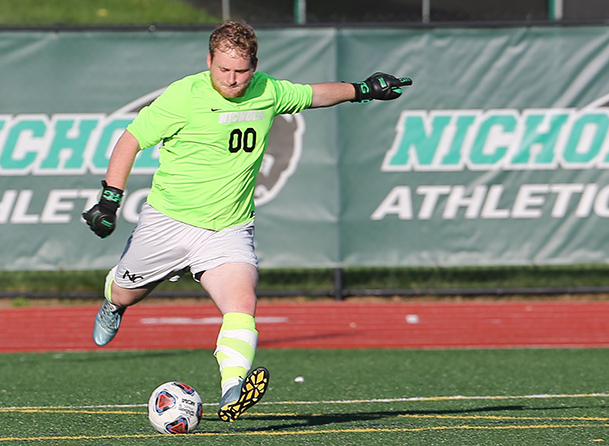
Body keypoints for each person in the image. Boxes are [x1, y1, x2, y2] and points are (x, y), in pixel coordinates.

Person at [82, 20, 412, 422]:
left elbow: (314, 95)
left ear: (255, 65)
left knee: (242, 303)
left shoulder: (268, 90)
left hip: (229, 228)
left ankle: (232, 388)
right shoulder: (184, 96)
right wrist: (110, 199)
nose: (232, 80)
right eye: (223, 70)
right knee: (125, 293)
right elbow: (130, 139)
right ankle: (114, 303)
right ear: (209, 61)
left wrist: (363, 90)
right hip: (167, 223)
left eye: (241, 71)